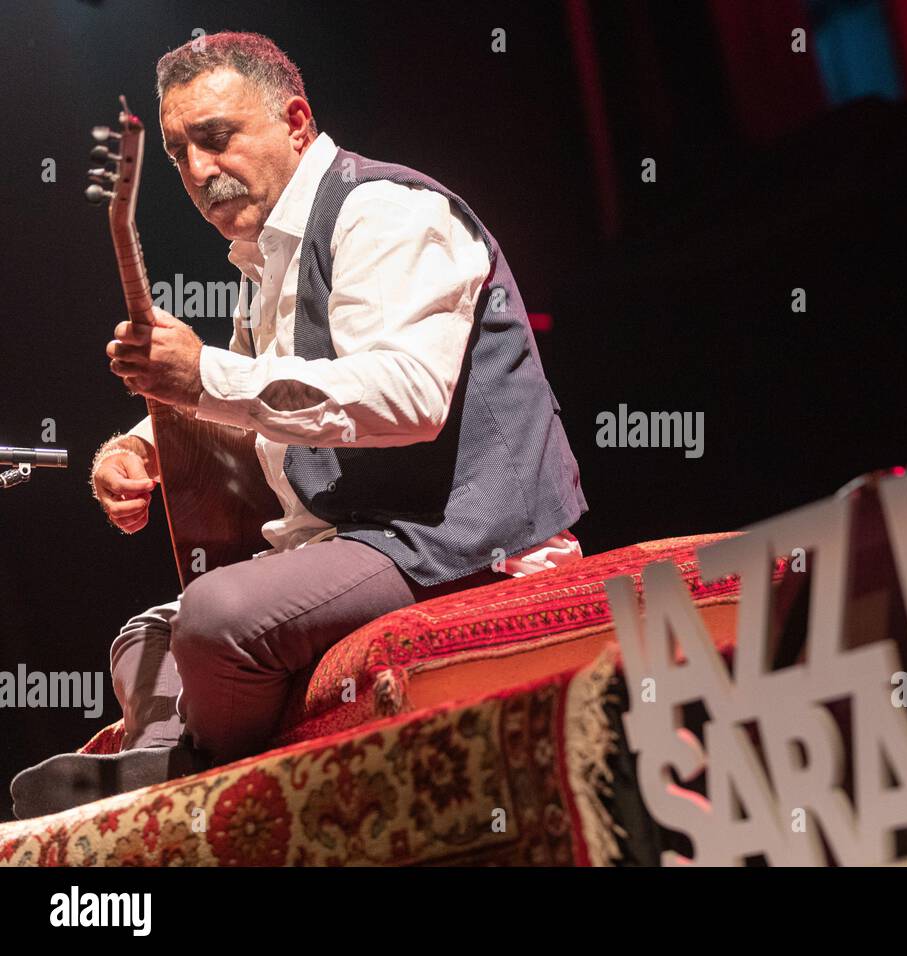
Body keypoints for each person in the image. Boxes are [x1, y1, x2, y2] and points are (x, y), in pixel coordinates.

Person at [10, 31, 587, 819]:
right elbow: (256, 407)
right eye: (179, 154)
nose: (200, 171)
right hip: (358, 543)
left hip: (453, 539)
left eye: (217, 138)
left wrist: (203, 372)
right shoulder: (266, 258)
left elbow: (409, 399)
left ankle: (184, 788)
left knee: (216, 620)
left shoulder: (384, 212)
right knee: (142, 640)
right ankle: (159, 782)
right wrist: (139, 447)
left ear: (296, 121)